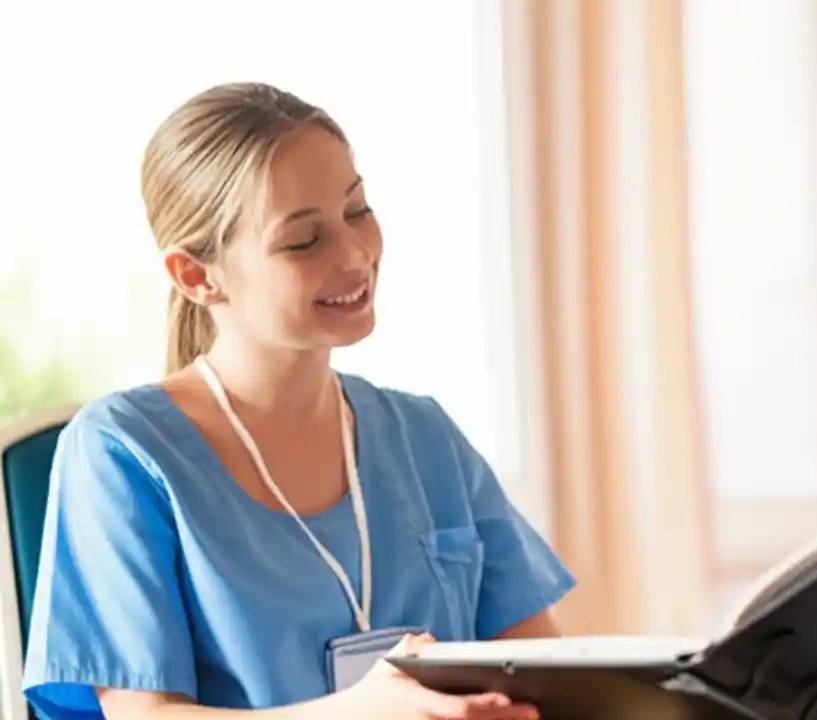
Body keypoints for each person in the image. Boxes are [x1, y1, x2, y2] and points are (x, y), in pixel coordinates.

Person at [21, 82, 574, 719]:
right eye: (304, 241)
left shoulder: (425, 435)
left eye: (358, 209)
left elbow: (543, 678)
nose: (356, 253)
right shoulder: (122, 451)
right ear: (197, 276)